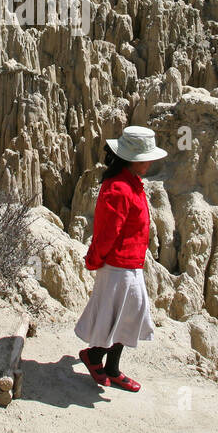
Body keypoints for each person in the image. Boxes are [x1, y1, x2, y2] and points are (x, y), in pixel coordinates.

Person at [75, 126, 167, 392]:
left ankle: (111, 368)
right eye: (147, 157)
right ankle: (94, 358)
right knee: (112, 317)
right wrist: (94, 259)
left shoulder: (131, 182)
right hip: (116, 266)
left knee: (129, 316)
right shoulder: (118, 188)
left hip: (131, 263)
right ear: (133, 159)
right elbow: (107, 232)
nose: (151, 162)